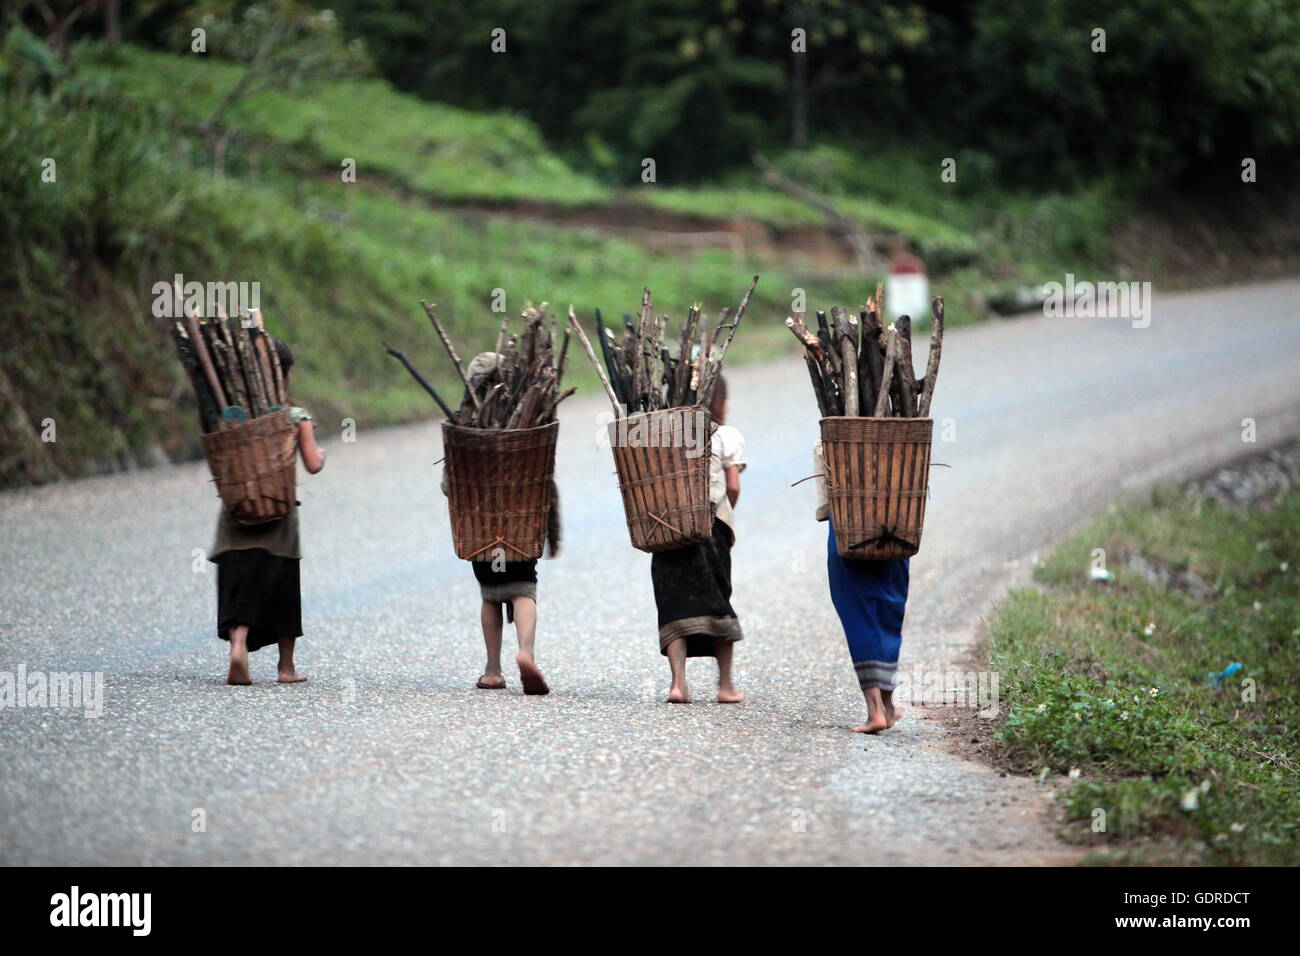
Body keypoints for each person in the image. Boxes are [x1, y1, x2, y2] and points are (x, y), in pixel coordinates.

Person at [211, 339, 325, 686]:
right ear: (284, 377)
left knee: (241, 584)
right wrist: (321, 454)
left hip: (236, 517)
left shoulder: (230, 415)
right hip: (279, 521)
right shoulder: (295, 418)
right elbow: (313, 464)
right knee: (281, 588)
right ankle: (286, 668)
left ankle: (239, 644)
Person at [452, 352, 560, 696]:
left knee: (491, 595)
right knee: (523, 588)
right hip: (521, 524)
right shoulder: (529, 422)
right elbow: (546, 479)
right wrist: (553, 527)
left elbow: (448, 484)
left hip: (481, 530)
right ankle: (525, 652)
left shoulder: (463, 427)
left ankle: (493, 669)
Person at [651, 374, 745, 704]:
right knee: (717, 598)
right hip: (710, 525)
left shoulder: (661, 434)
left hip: (666, 526)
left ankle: (678, 684)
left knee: (675, 602)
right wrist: (725, 515)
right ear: (719, 401)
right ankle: (726, 685)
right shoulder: (725, 436)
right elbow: (732, 486)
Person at [815, 440, 908, 733]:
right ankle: (889, 704)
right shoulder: (904, 439)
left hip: (848, 534)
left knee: (859, 617)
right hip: (895, 532)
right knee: (888, 614)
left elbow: (824, 507)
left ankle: (874, 711)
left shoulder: (830, 440)